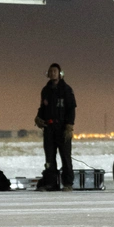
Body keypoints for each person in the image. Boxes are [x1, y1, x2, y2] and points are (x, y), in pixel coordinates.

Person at [34, 63, 76, 191]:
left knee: (65, 157)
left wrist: (69, 125)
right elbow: (43, 108)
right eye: (50, 71)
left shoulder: (67, 90)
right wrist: (38, 117)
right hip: (49, 129)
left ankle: (68, 183)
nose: (53, 73)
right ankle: (51, 183)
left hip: (62, 128)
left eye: (55, 71)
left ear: (60, 73)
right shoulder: (45, 90)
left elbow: (71, 109)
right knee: (49, 158)